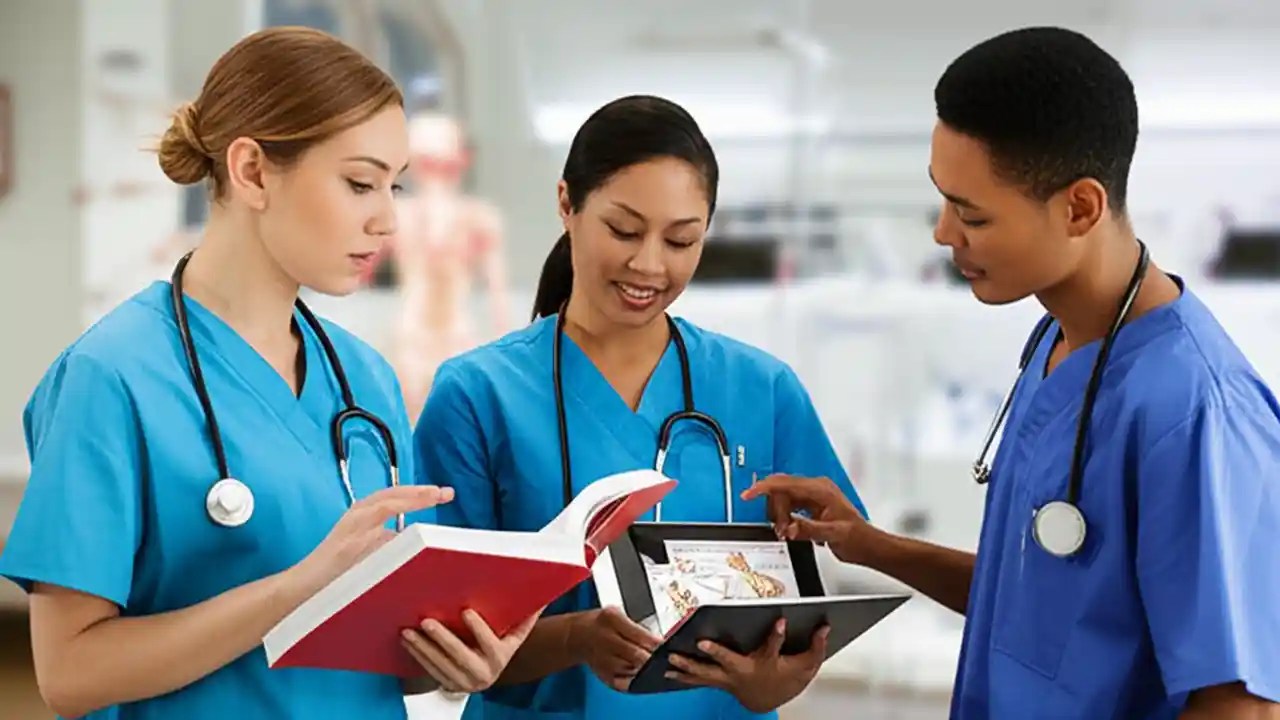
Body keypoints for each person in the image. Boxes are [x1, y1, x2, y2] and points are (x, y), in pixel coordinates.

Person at [0, 27, 536, 720]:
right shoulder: (110, 378)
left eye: (394, 185)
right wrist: (296, 588)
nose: (387, 220)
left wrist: (454, 664)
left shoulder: (365, 381)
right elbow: (70, 674)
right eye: (360, 183)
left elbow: (380, 653)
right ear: (252, 171)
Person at [745, 26, 1280, 719]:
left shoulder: (1194, 409)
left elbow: (1239, 704)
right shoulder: (1055, 343)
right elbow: (1038, 605)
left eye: (971, 215)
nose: (944, 233)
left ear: (1080, 208)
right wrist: (870, 546)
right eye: (943, 201)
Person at [412, 94, 868, 719]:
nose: (649, 264)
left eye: (681, 240)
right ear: (567, 203)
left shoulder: (762, 390)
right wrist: (573, 639)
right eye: (624, 231)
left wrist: (779, 685)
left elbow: (809, 608)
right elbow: (434, 634)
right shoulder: (477, 394)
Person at [372, 111, 511, 424]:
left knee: (456, 426)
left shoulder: (479, 218)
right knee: (411, 426)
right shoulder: (396, 215)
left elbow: (498, 298)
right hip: (412, 337)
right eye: (427, 164)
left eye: (442, 165)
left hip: (456, 335)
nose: (435, 175)